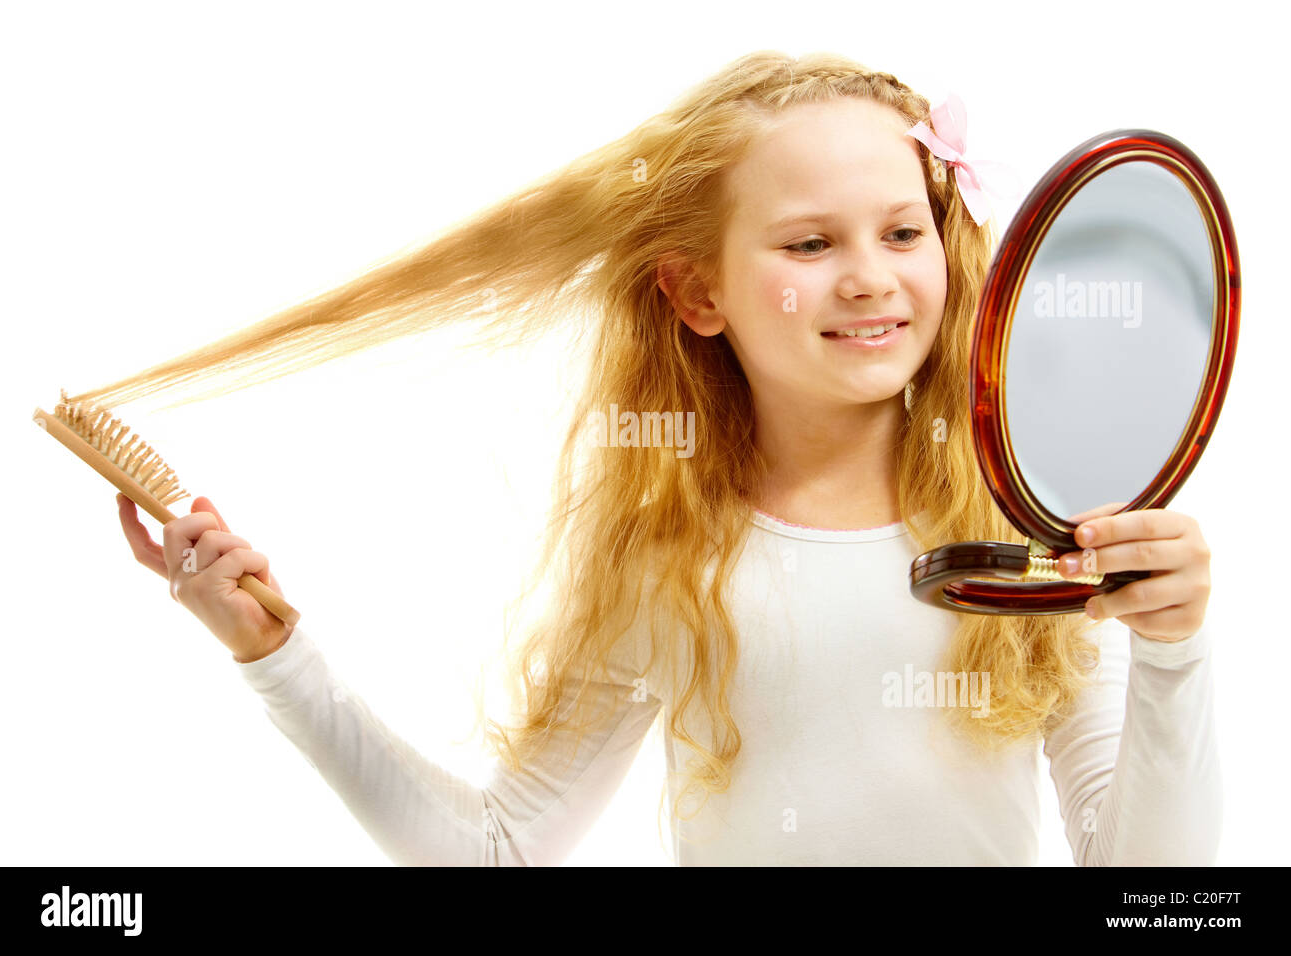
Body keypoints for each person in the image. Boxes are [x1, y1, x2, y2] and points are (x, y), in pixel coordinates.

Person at [103, 50, 1220, 865]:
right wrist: (276, 653)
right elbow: (496, 851)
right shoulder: (670, 558)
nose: (872, 277)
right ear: (695, 293)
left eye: (900, 229)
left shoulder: (1036, 545)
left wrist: (1170, 649)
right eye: (808, 242)